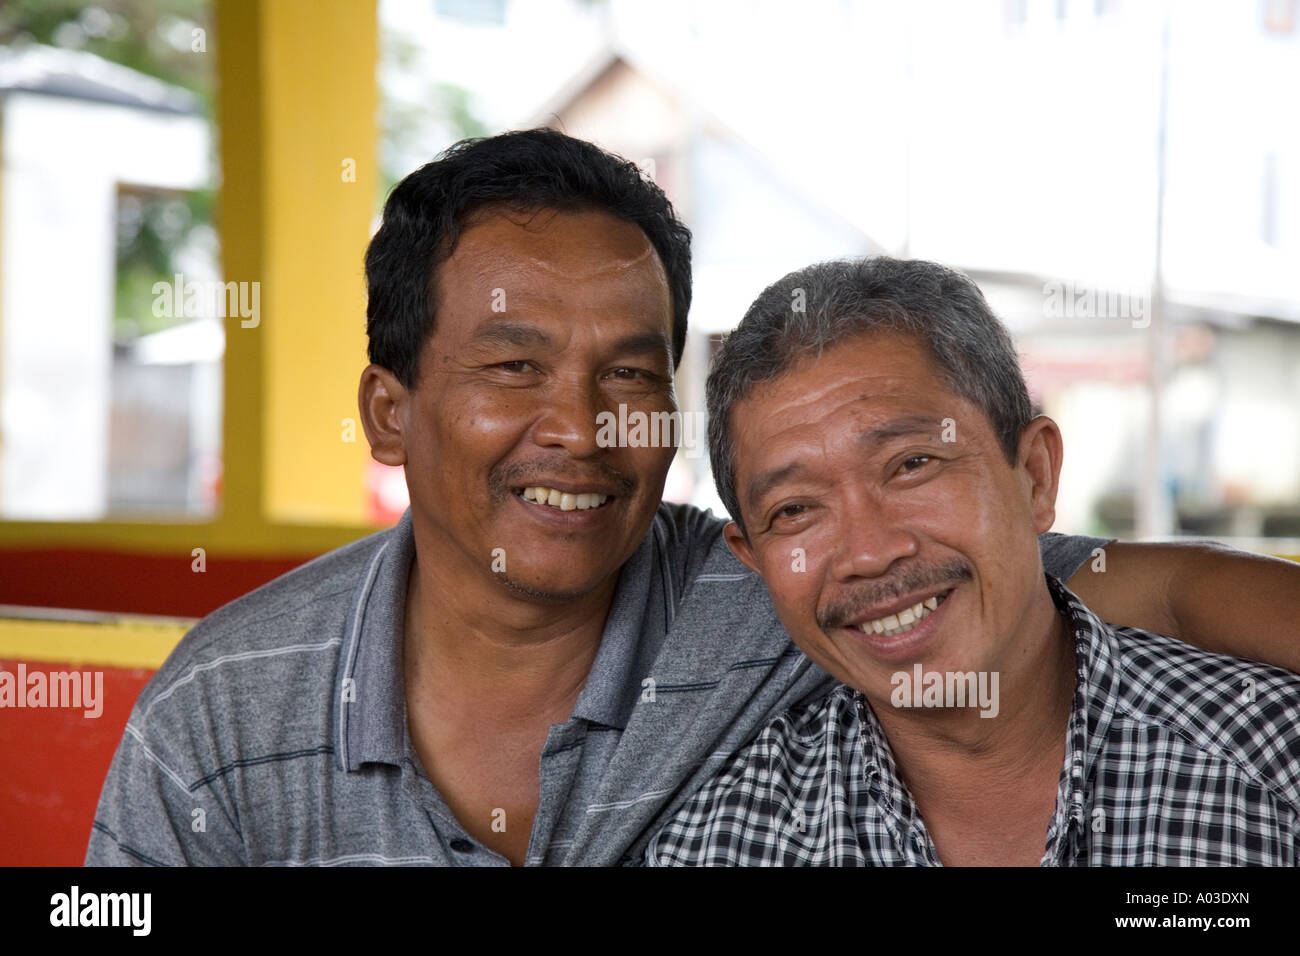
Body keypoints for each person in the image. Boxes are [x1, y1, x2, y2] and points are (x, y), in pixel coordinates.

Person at [87, 131, 1300, 867]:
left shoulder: (778, 583)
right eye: (514, 367)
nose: (583, 424)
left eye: (629, 371)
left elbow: (1131, 586)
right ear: (389, 410)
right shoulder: (222, 711)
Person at [646, 257, 1300, 866]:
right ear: (754, 560)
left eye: (912, 465)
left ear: (1036, 476)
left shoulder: (1269, 767)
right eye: (794, 511)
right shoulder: (724, 842)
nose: (869, 552)